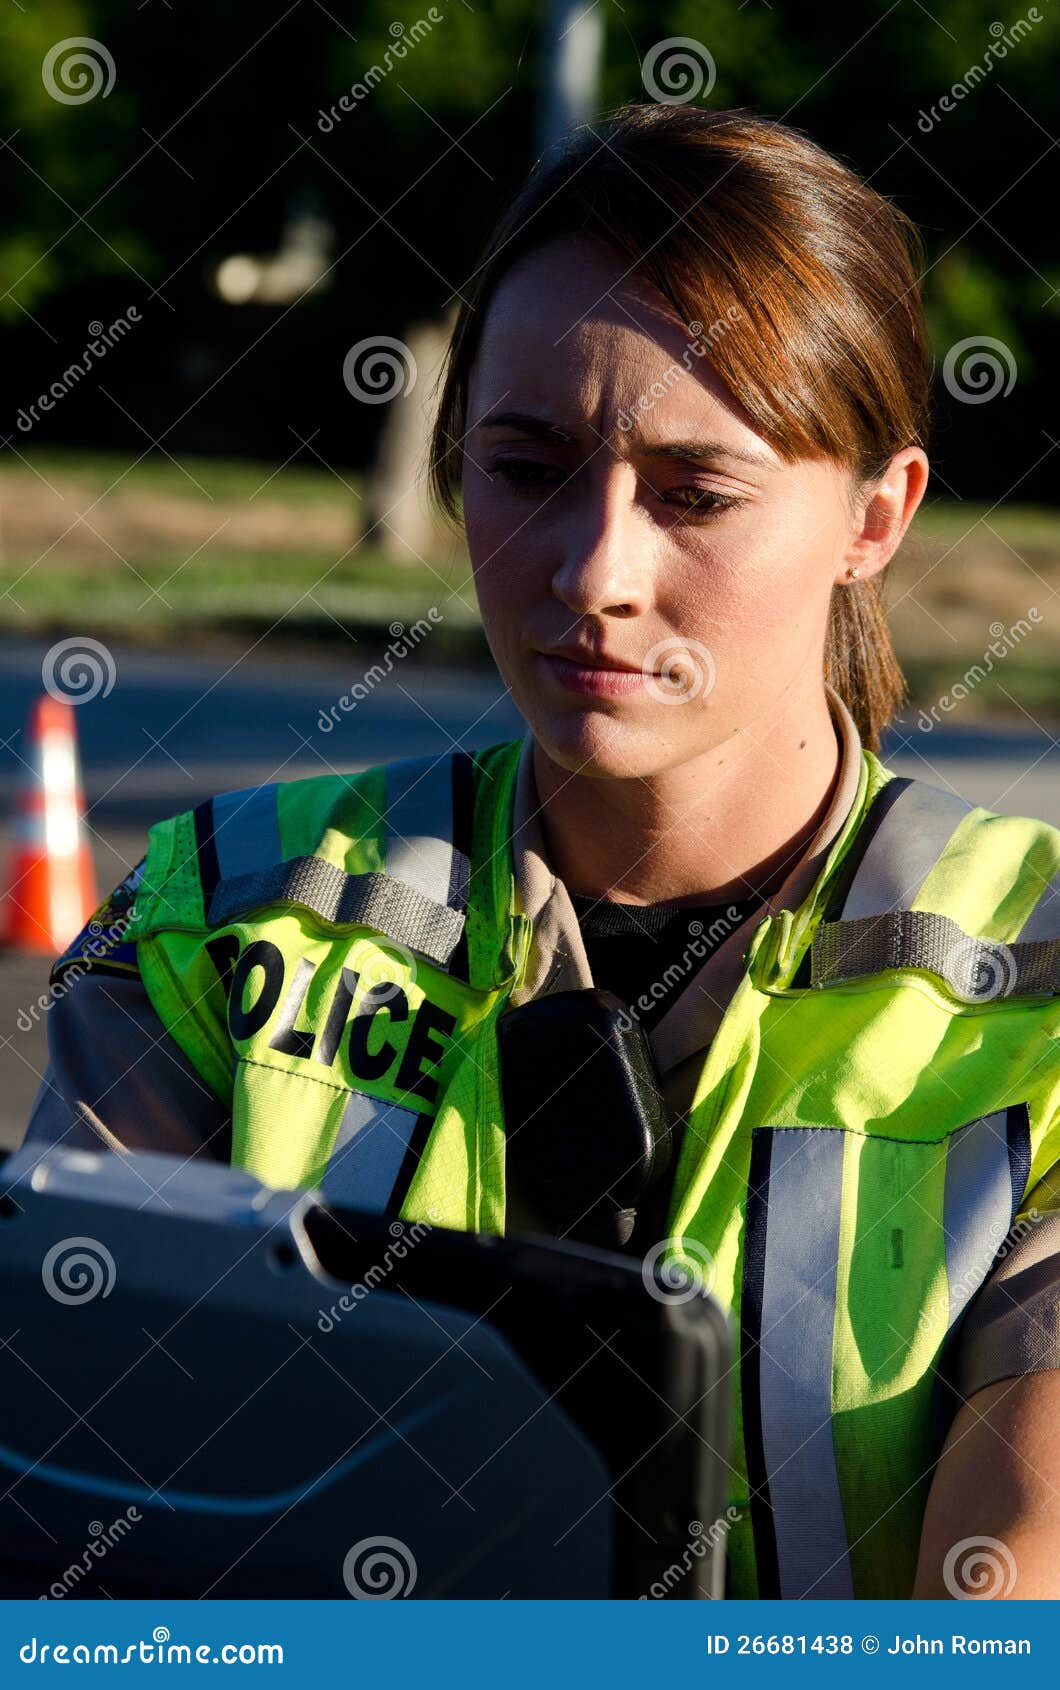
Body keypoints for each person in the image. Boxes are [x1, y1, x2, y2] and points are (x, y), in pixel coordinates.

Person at [23, 103, 1060, 1601]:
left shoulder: (1032, 1009)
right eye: (525, 468)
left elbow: (995, 1620)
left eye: (698, 494)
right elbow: (106, 1540)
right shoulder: (219, 928)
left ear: (876, 517)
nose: (595, 570)